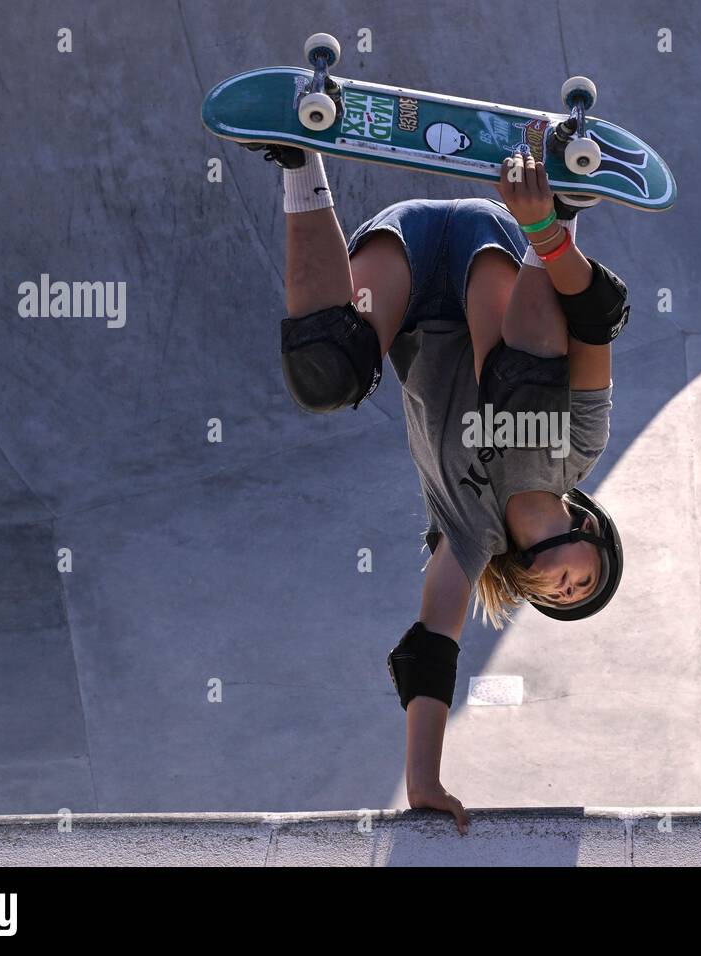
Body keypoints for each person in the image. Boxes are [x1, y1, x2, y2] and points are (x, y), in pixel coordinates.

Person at [250, 141, 630, 834]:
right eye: (585, 583)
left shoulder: (468, 535)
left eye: (563, 601)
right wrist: (550, 226)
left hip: (413, 268)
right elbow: (598, 319)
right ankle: (564, 205)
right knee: (525, 399)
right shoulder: (580, 449)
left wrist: (422, 779)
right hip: (503, 251)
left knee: (323, 375)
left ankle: (298, 159)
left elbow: (431, 646)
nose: (567, 591)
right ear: (592, 533)